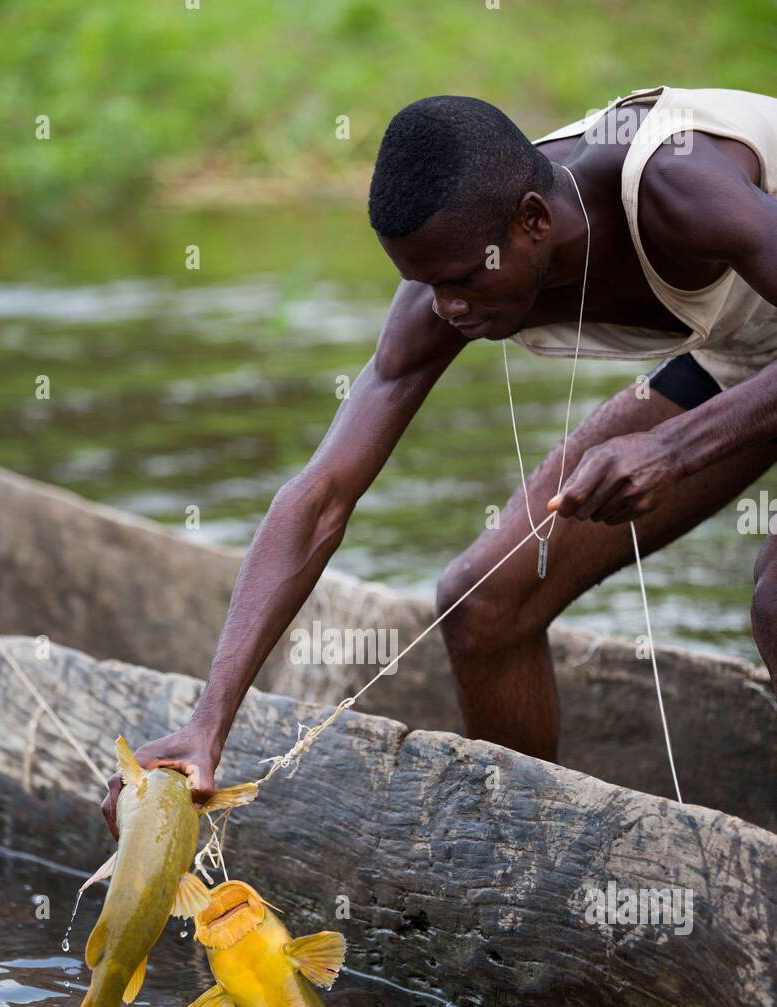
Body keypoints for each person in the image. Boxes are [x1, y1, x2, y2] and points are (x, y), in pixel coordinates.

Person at [103, 85, 777, 835]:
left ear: (533, 222)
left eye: (461, 281)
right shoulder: (449, 275)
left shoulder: (675, 185)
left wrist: (672, 450)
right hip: (744, 352)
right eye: (425, 284)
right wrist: (208, 723)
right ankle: (529, 863)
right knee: (481, 605)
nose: (446, 308)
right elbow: (321, 495)